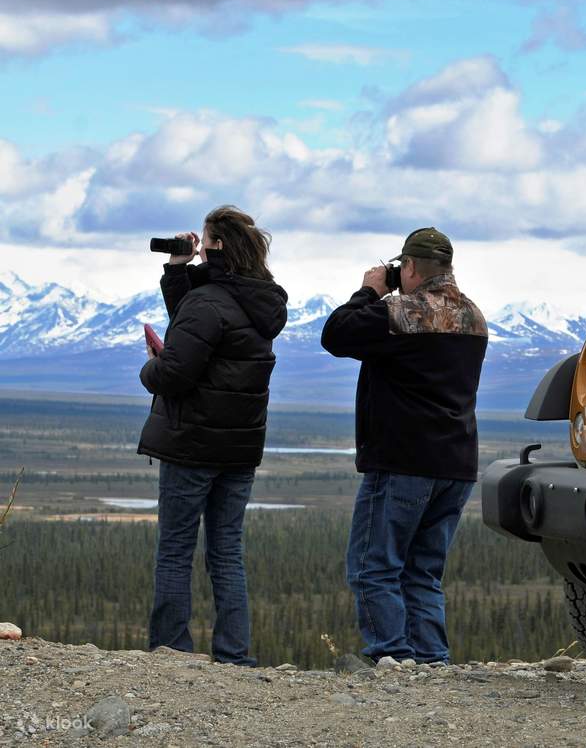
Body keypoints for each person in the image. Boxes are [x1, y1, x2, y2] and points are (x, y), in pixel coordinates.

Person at [321, 227, 488, 664]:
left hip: (403, 461)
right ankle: (431, 662)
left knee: (373, 567)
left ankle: (390, 658)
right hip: (456, 463)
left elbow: (336, 334)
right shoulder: (473, 316)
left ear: (409, 267)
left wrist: (369, 291)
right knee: (423, 572)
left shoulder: (402, 313)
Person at [137, 206, 288, 666]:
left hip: (192, 447)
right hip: (239, 450)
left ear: (219, 246)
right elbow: (197, 321)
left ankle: (170, 652)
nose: (198, 248)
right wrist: (177, 270)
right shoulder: (259, 302)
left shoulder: (209, 303)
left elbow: (176, 371)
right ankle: (233, 655)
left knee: (176, 549)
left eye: (204, 241)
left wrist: (150, 366)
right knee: (226, 552)